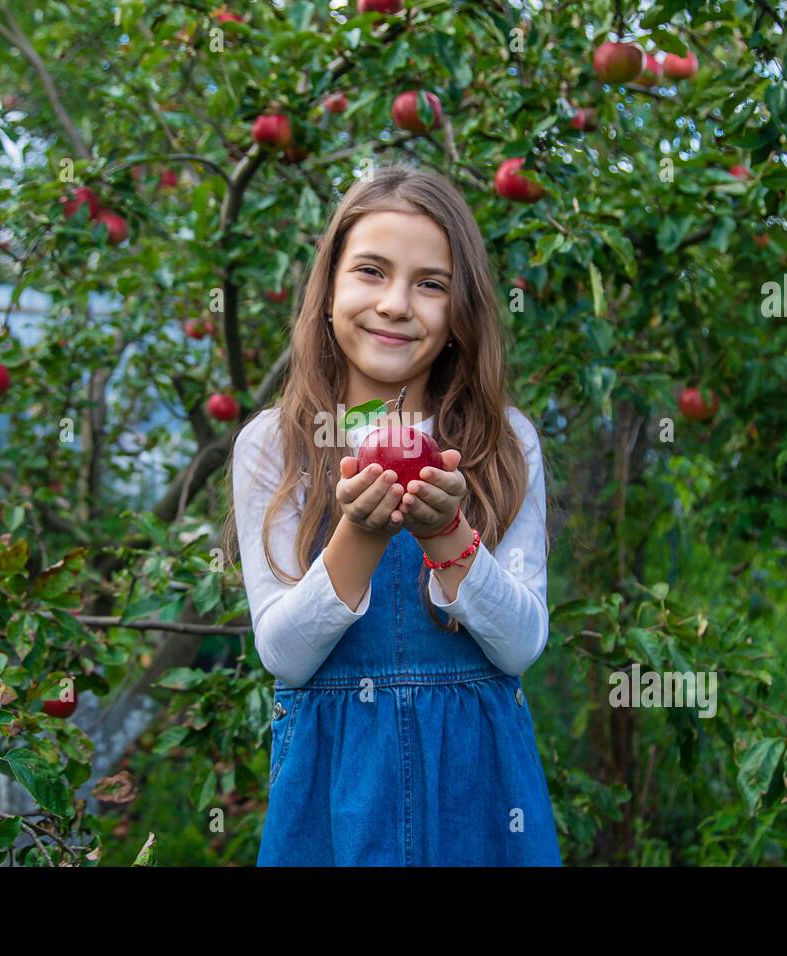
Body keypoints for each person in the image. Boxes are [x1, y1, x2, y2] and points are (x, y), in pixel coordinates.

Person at [223, 163, 560, 866]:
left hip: (479, 785)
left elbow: (522, 643)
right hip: (337, 788)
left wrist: (447, 536)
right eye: (371, 272)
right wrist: (362, 534)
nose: (396, 303)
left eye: (431, 284)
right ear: (328, 291)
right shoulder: (274, 445)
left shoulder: (504, 441)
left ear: (461, 311)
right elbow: (284, 654)